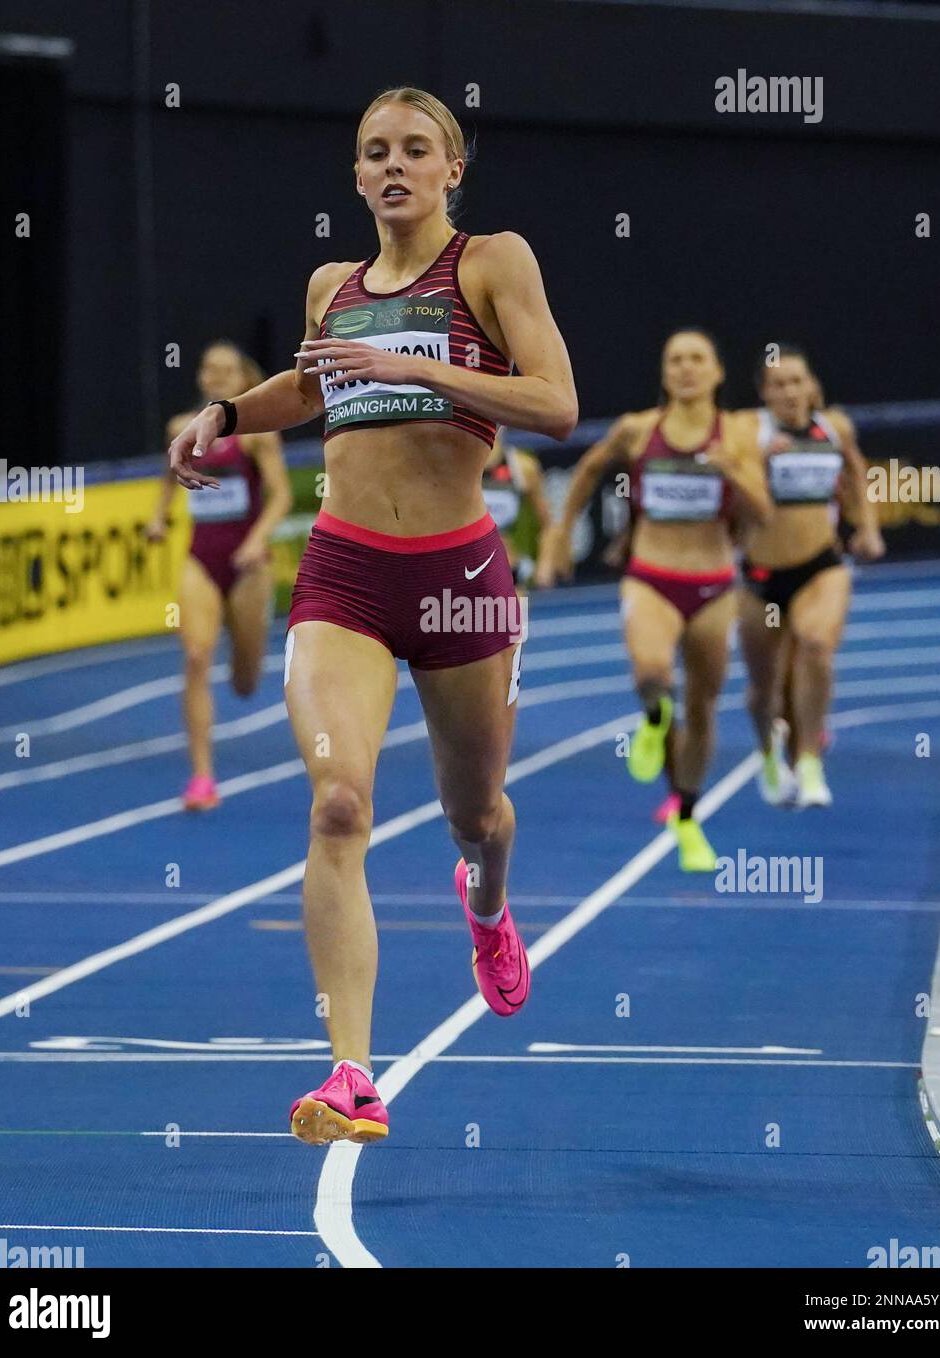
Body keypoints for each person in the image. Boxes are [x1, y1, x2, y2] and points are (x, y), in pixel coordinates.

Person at [168, 87, 578, 1143]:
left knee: (476, 815)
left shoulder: (493, 262)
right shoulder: (330, 287)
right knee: (339, 805)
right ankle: (352, 1070)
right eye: (374, 152)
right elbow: (306, 392)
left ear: (452, 170)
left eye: (417, 150)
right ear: (355, 178)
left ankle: (484, 906)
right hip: (345, 572)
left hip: (458, 580)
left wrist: (416, 367)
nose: (394, 165)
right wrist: (221, 417)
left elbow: (557, 403)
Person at [539, 329, 771, 871]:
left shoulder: (738, 434)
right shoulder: (639, 430)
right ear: (665, 374)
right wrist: (560, 533)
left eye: (697, 359)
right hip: (651, 576)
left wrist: (730, 470)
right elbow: (589, 468)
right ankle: (650, 713)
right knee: (650, 670)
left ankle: (687, 816)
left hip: (714, 584)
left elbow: (762, 512)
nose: (686, 368)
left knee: (703, 707)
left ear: (717, 373)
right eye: (675, 360)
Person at [739, 345, 884, 806]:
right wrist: (757, 464)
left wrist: (866, 527)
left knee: (817, 645)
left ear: (811, 387)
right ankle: (769, 754)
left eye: (797, 382)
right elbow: (724, 487)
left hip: (820, 564)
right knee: (766, 689)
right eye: (778, 385)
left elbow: (856, 471)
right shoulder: (747, 432)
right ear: (764, 394)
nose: (789, 392)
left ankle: (808, 760)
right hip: (759, 575)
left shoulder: (833, 428)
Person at [148, 342, 291, 809]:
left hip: (247, 564)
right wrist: (158, 519)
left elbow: (282, 496)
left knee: (245, 682)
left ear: (242, 380)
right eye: (208, 369)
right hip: (200, 559)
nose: (215, 376)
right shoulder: (179, 428)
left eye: (226, 371)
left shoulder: (256, 434)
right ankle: (202, 778)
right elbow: (170, 481)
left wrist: (256, 541)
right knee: (194, 655)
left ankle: (245, 662)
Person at [481, 426, 553, 587]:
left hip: (509, 570)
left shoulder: (521, 466)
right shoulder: (453, 467)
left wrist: (545, 564)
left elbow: (547, 525)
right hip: (463, 570)